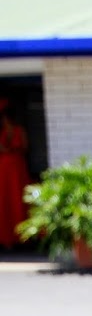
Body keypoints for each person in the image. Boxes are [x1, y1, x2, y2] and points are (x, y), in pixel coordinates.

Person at [0, 101, 29, 249]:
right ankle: (6, 238)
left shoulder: (19, 130)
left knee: (18, 199)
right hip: (4, 170)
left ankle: (22, 238)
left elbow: (25, 147)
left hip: (17, 169)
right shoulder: (2, 133)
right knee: (5, 201)